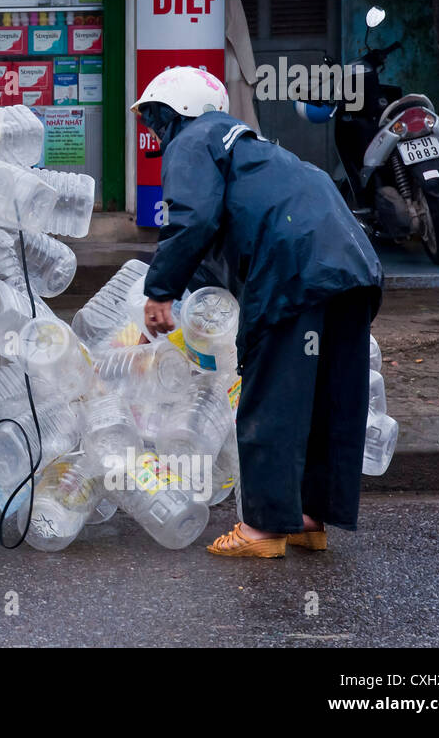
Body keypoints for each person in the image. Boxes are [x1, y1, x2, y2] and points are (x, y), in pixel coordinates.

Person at [132, 66, 384, 558]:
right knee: (330, 396)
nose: (155, 132)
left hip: (295, 267)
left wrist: (159, 292)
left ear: (173, 112)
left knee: (272, 395)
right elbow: (214, 255)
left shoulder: (194, 138)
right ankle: (310, 518)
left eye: (155, 118)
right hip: (351, 263)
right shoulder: (255, 150)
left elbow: (192, 219)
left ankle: (263, 531)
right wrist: (181, 299)